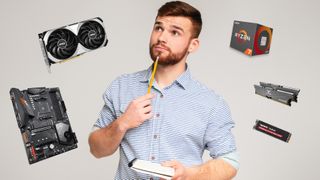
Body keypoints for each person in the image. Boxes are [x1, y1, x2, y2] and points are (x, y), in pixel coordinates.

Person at [89, 1, 239, 179]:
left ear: (193, 45)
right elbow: (96, 149)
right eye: (158, 28)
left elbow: (229, 162)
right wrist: (122, 123)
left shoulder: (211, 103)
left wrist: (188, 174)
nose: (161, 38)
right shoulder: (122, 86)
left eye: (175, 32)